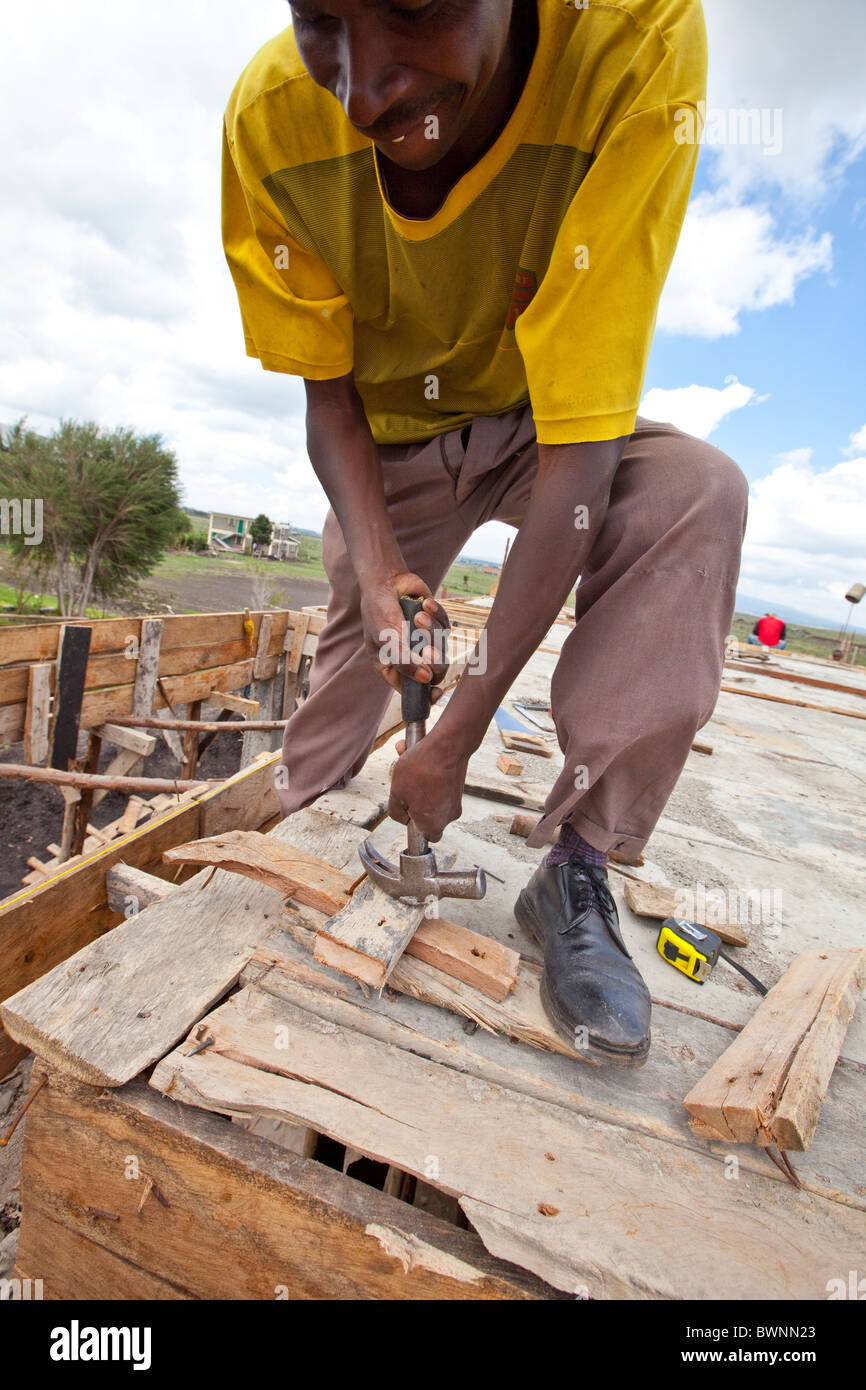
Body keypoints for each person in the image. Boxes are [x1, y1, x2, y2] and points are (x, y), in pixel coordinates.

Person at [222, 0, 748, 1066]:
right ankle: (301, 814)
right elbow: (328, 399)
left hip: (545, 429)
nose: (362, 90)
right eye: (321, 19)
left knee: (697, 490)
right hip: (393, 443)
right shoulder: (273, 120)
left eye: (412, 5)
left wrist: (461, 729)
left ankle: (576, 866)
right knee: (354, 667)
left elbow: (584, 449)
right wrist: (378, 571)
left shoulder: (632, 45)